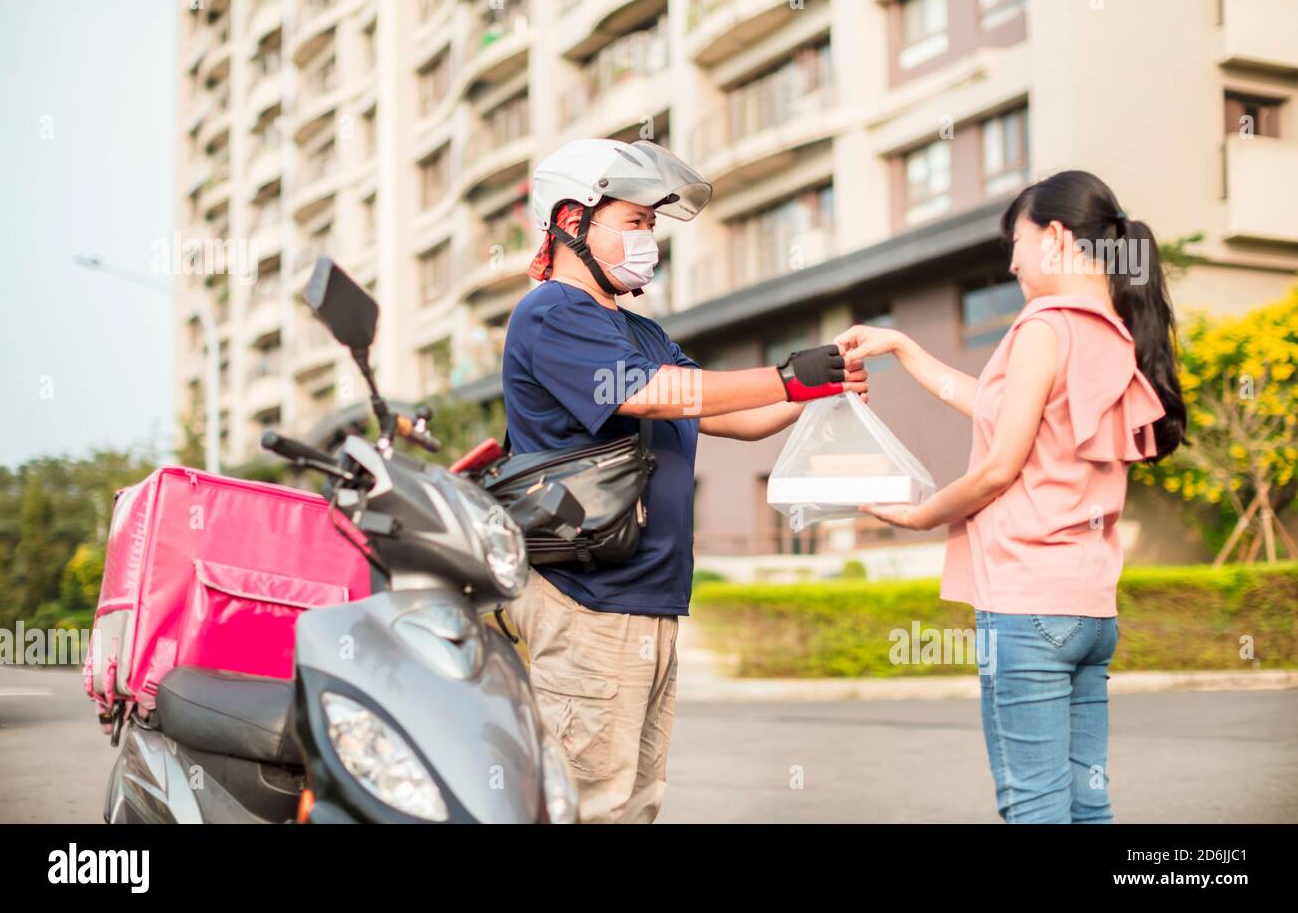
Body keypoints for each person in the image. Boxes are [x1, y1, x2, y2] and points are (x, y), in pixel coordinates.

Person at [501, 138, 868, 822]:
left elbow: (737, 417)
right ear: (573, 222)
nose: (649, 240)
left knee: (636, 803)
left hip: (648, 601)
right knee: (591, 806)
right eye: (634, 222)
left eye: (652, 226)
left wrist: (817, 389)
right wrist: (787, 375)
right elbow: (645, 393)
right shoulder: (551, 312)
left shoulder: (641, 332)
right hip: (591, 603)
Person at [836, 170, 1185, 823]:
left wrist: (920, 515)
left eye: (1015, 243)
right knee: (1087, 804)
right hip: (1089, 614)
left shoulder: (1043, 327)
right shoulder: (1110, 333)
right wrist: (905, 348)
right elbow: (999, 412)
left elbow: (999, 468)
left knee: (1034, 808)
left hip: (1027, 613)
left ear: (1053, 237)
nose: (1013, 262)